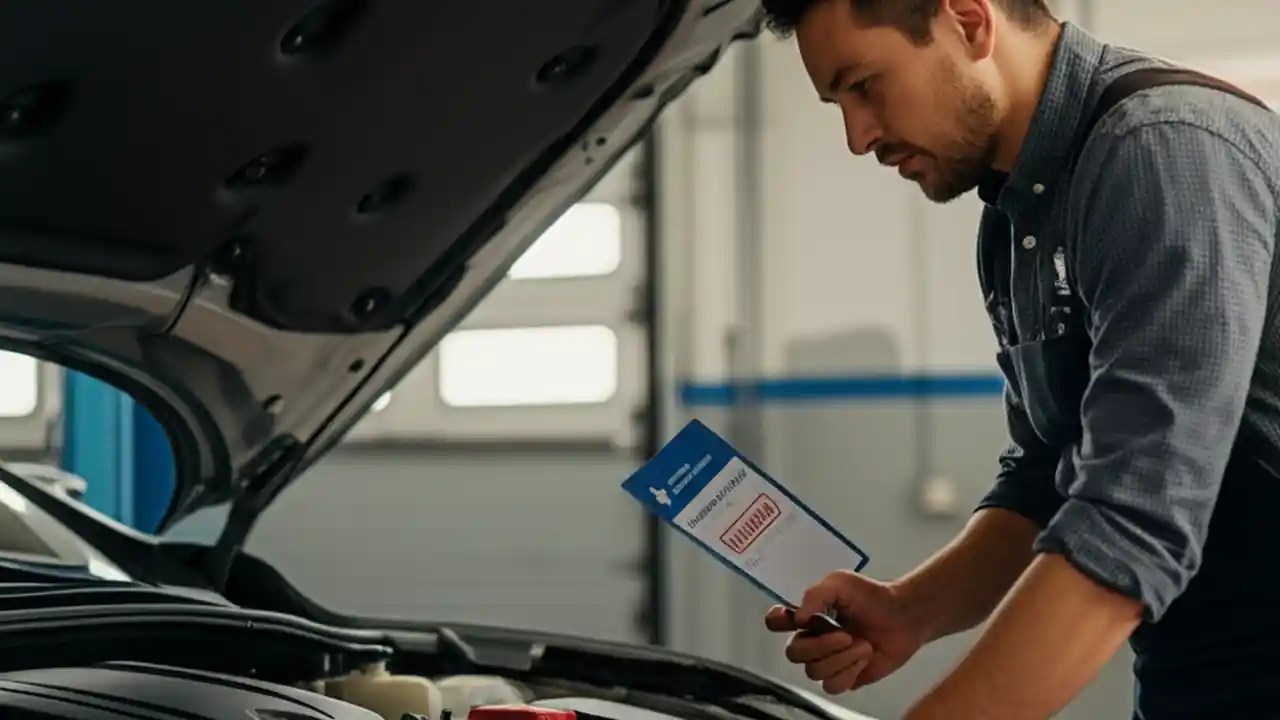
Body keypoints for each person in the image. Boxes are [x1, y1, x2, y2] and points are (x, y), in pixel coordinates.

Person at [755, 1, 1280, 718]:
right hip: (1197, 680)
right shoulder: (1014, 221)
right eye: (837, 104)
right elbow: (1048, 472)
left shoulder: (1164, 151)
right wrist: (911, 610)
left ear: (970, 21)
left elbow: (1135, 519)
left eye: (865, 85)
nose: (858, 136)